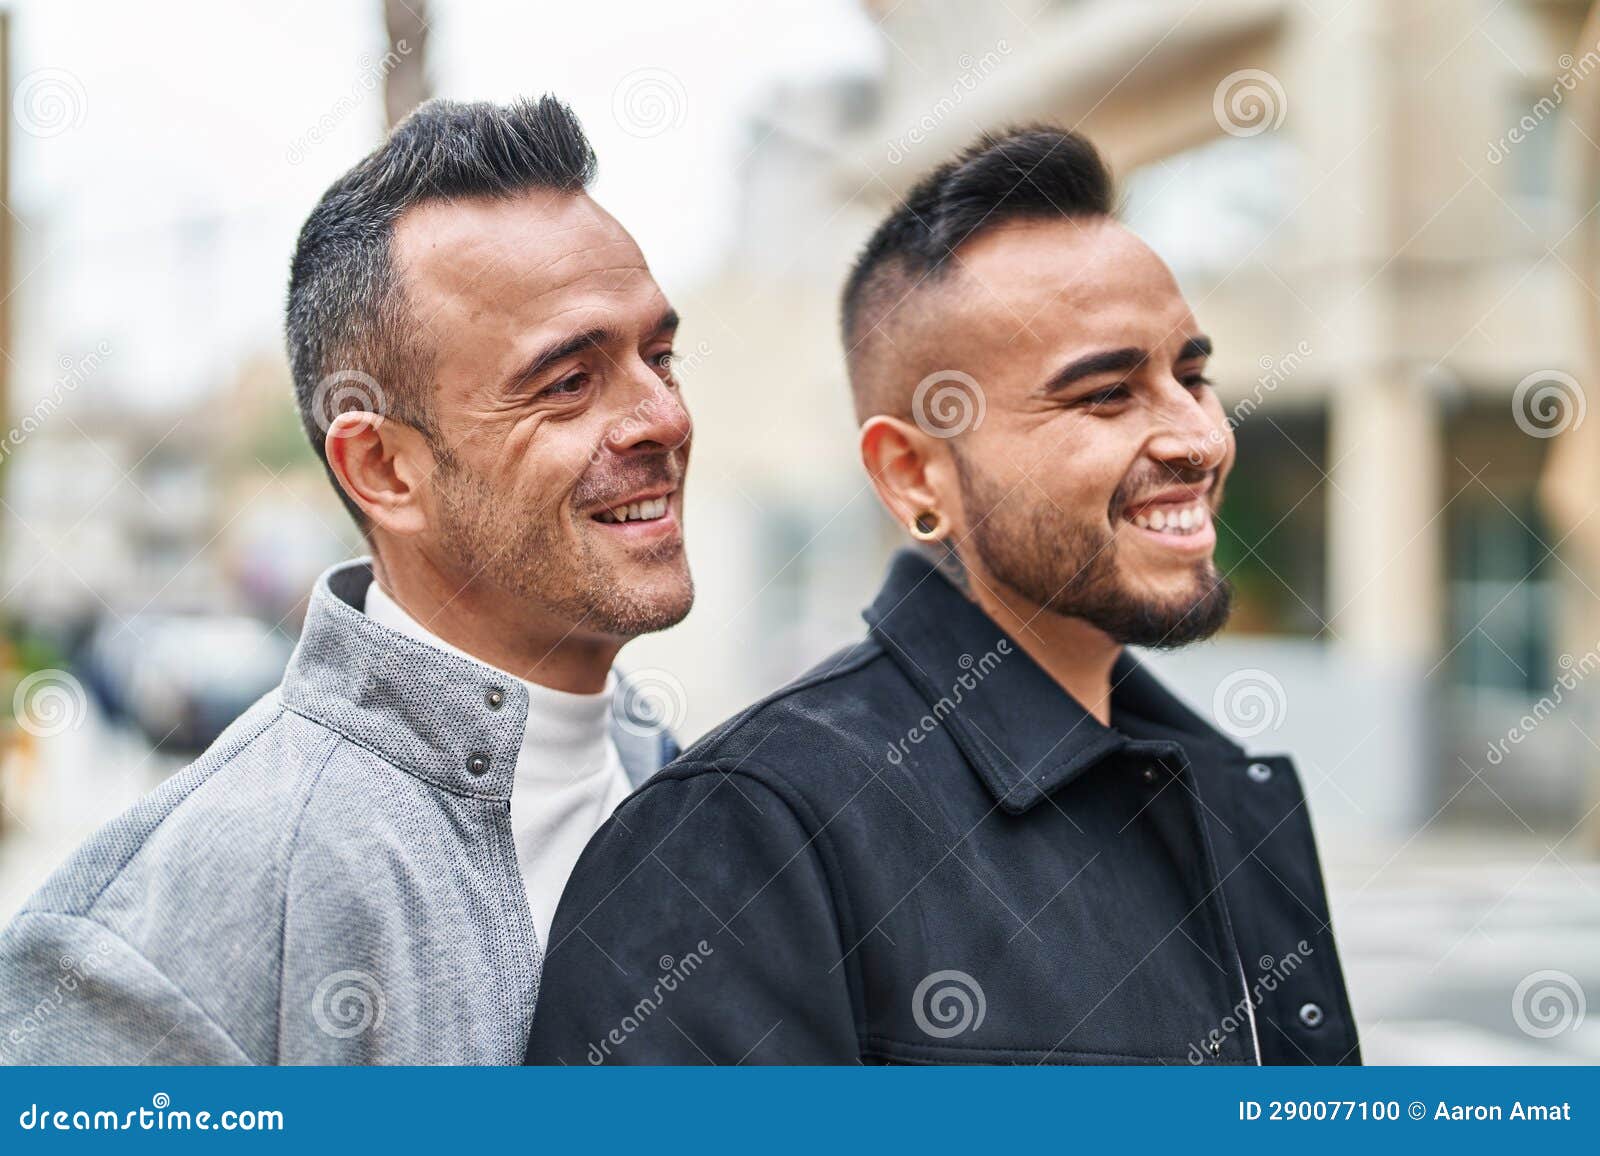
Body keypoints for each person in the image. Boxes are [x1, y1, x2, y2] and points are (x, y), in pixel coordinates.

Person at [524, 126, 1360, 1065]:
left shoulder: (1222, 786)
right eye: (1107, 395)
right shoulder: (746, 842)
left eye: (1192, 377)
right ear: (916, 475)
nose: (1199, 439)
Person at [0, 95, 693, 1064]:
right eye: (568, 382)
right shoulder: (153, 940)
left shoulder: (692, 786)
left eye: (660, 356)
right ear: (381, 468)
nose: (662, 416)